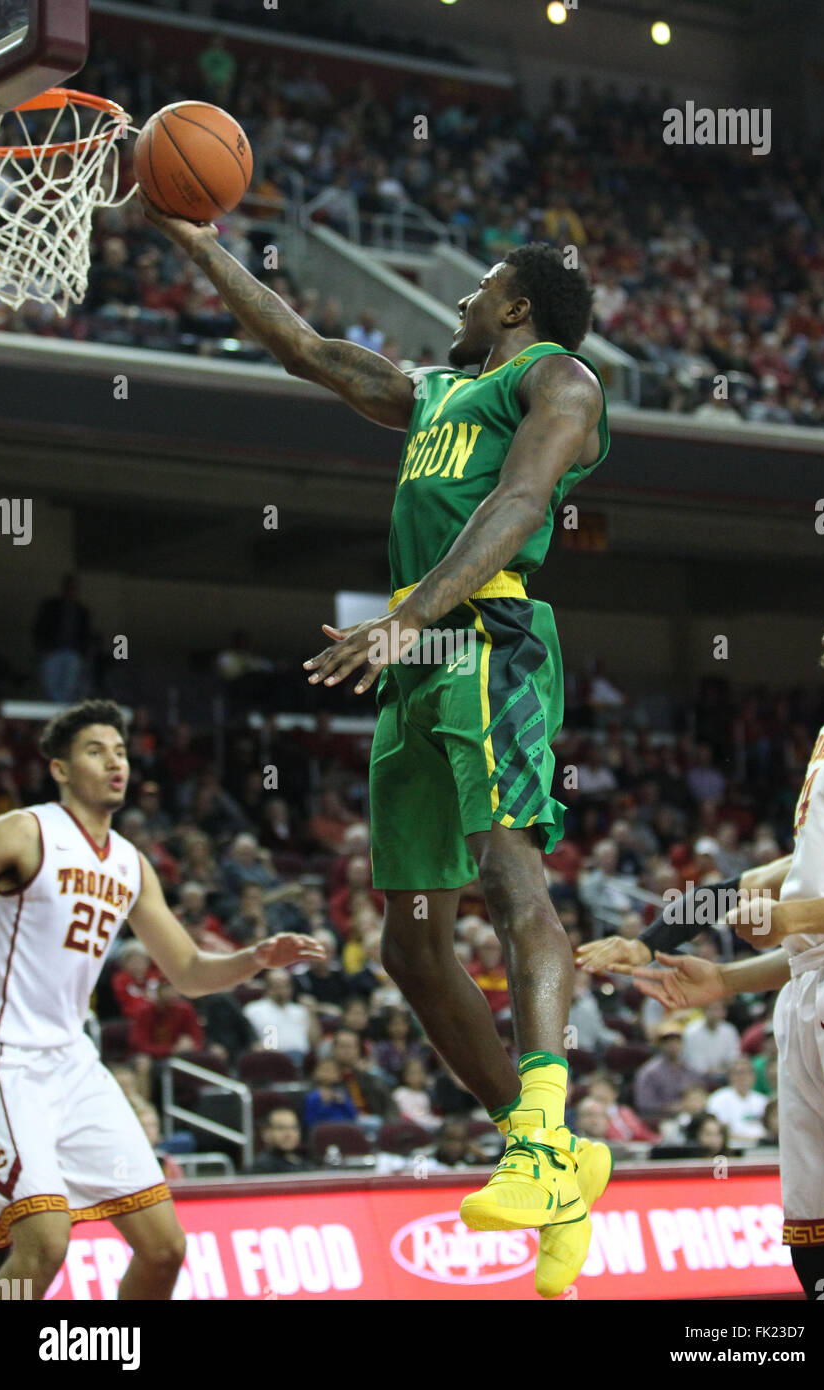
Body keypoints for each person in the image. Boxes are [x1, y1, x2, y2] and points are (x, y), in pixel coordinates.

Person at [139, 192, 612, 1300]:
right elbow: (303, 346)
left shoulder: (558, 382)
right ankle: (553, 1161)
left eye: (477, 283)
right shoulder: (433, 389)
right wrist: (197, 242)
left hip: (485, 628)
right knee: (408, 946)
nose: (458, 294)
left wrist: (414, 615)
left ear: (516, 302)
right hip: (410, 656)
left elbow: (519, 497)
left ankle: (543, 1127)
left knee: (510, 873)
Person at [0, 699, 325, 1299]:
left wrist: (254, 958)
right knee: (44, 1242)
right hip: (3, 1060)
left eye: (120, 751)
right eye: (96, 751)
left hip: (72, 1064)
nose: (114, 762)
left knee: (165, 1248)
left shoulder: (129, 863)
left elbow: (190, 972)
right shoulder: (25, 830)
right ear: (61, 769)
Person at [627, 591, 824, 1300]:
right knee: (822, 1230)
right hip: (811, 989)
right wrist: (711, 973)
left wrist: (785, 919)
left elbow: (795, 914)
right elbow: (780, 890)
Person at [32, 575, 92, 703]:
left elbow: (86, 634)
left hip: (73, 653)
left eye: (75, 588)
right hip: (52, 651)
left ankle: (63, 706)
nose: (72, 591)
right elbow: (39, 628)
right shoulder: (51, 606)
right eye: (70, 587)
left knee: (69, 684)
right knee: (50, 682)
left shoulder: (82, 611)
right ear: (64, 588)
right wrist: (42, 648)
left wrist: (83, 653)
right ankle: (58, 705)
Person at [242, 967, 318, 1066]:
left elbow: (314, 1043)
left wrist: (311, 1014)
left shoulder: (300, 1010)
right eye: (276, 986)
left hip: (302, 1059)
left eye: (285, 986)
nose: (281, 991)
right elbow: (245, 1039)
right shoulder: (253, 1009)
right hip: (270, 1059)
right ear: (267, 988)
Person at [705, 1056, 768, 1148]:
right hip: (731, 1149)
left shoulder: (762, 1100)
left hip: (762, 1148)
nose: (742, 1077)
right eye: (738, 1073)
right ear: (730, 1076)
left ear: (754, 1076)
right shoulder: (718, 1098)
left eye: (747, 1072)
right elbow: (716, 1131)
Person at [248, 1108, 316, 1174]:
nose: (289, 1134)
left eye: (294, 1128)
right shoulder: (262, 1168)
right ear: (266, 1133)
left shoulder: (304, 1161)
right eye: (281, 1128)